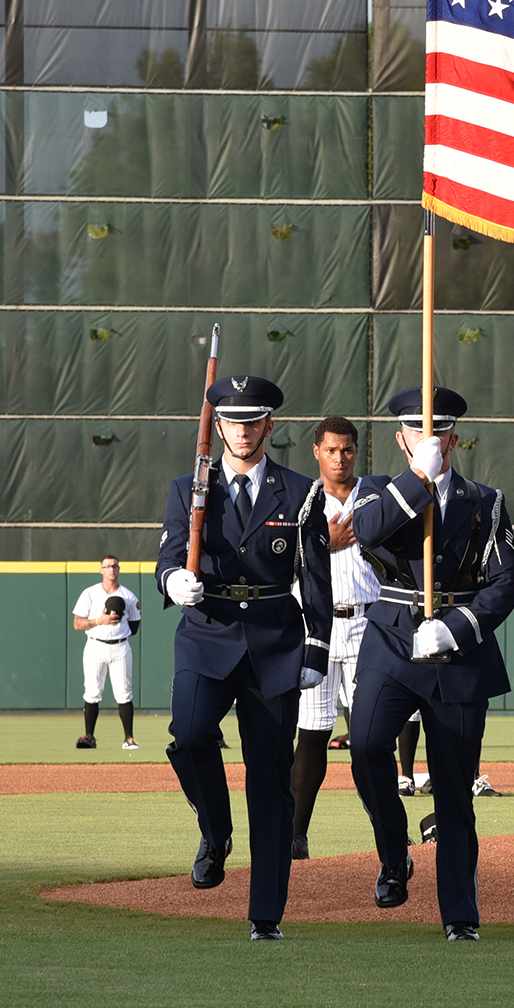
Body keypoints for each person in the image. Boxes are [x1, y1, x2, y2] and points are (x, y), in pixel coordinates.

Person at [155, 374, 331, 941]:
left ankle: (266, 915)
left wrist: (316, 652)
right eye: (232, 420)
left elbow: (317, 580)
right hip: (206, 632)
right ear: (220, 426)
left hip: (275, 642)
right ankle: (215, 828)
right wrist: (170, 579)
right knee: (188, 735)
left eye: (253, 420)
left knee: (269, 778)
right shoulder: (189, 488)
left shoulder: (301, 491)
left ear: (269, 426)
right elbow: (167, 552)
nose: (242, 430)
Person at [348, 386, 514, 941]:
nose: (432, 440)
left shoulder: (485, 500)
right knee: (367, 744)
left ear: (454, 436)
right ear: (401, 438)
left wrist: (454, 627)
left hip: (458, 651)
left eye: (440, 431)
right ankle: (394, 854)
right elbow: (368, 533)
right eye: (419, 432)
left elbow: (504, 582)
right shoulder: (376, 490)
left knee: (453, 787)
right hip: (393, 639)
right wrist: (416, 481)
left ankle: (460, 915)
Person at [291, 416, 381, 860]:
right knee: (312, 733)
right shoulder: (299, 501)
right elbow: (275, 563)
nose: (339, 458)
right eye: (331, 450)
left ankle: (389, 831)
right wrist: (322, 542)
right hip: (318, 627)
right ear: (316, 452)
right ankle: (295, 836)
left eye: (346, 449)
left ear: (356, 451)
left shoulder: (376, 497)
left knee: (370, 737)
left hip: (369, 623)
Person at [71, 556, 141, 750]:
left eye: (114, 566)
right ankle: (89, 737)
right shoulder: (90, 594)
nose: (111, 570)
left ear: (119, 569)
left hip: (120, 646)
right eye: (107, 566)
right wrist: (99, 621)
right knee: (92, 692)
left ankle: (129, 739)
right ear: (101, 570)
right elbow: (77, 623)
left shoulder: (128, 596)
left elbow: (135, 626)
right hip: (95, 645)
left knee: (124, 693)